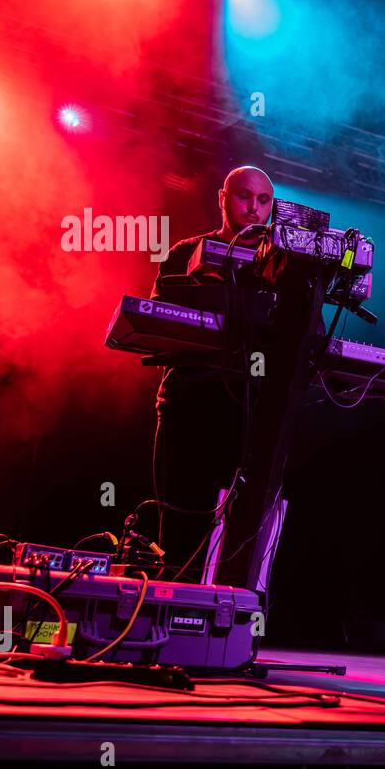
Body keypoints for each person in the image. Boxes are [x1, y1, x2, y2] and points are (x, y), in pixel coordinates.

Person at [150, 166, 275, 571]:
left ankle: (228, 617)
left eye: (263, 200)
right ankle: (171, 617)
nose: (253, 208)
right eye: (244, 196)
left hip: (250, 408)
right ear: (222, 197)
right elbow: (158, 325)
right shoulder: (186, 253)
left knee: (245, 521)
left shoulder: (281, 269)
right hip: (190, 399)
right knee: (182, 514)